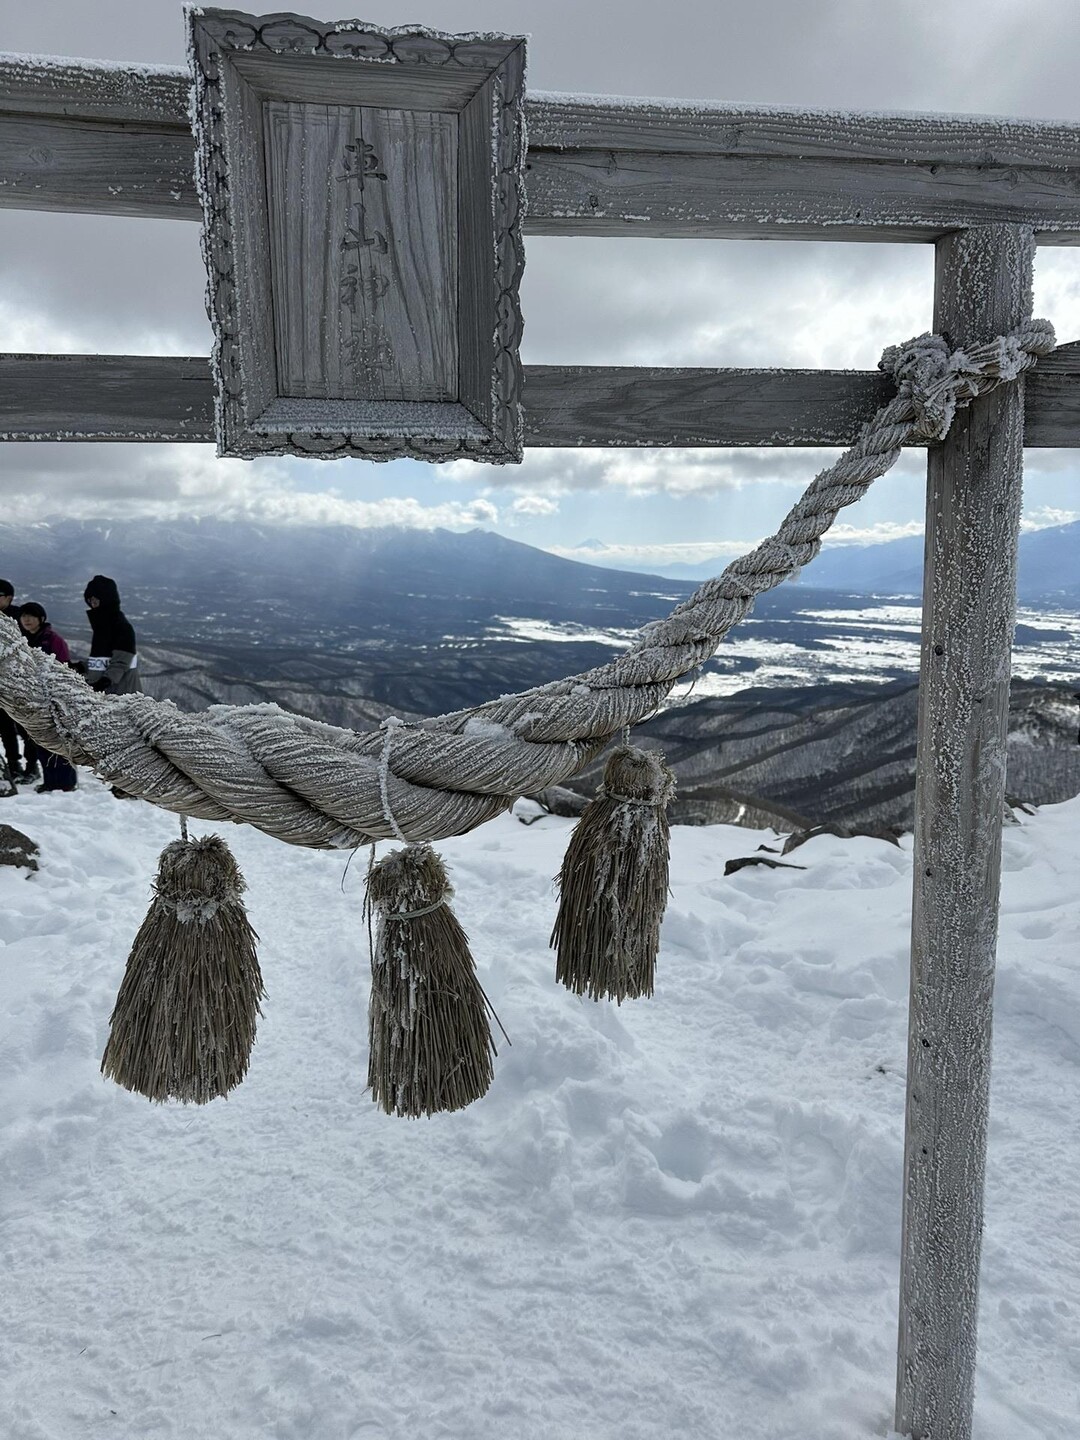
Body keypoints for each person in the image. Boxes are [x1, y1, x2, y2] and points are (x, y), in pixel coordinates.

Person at [18, 603, 78, 793]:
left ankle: (66, 782)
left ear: (41, 619)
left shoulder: (53, 640)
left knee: (58, 740)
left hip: (53, 697)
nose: (27, 620)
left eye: (31, 616)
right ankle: (50, 781)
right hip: (32, 698)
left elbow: (64, 667)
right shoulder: (21, 640)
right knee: (41, 741)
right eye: (23, 616)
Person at [83, 575, 142, 694]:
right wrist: (83, 666)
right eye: (90, 601)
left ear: (107, 599)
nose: (93, 605)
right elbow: (102, 660)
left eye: (96, 600)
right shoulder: (102, 628)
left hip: (122, 694)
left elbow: (121, 662)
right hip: (105, 694)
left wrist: (106, 681)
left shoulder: (122, 627)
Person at [0, 579, 32, 782]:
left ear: (9, 598)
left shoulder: (20, 618)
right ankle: (14, 765)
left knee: (25, 728)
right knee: (5, 728)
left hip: (20, 683)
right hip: (2, 684)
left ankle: (31, 767)